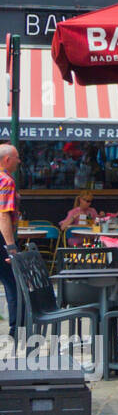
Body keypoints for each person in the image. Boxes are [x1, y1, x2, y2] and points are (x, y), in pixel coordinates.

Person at [0, 144, 20, 338]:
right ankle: (16, 329)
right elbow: (3, 216)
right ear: (7, 160)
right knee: (13, 282)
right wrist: (11, 246)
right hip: (2, 238)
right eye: (17, 157)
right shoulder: (6, 181)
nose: (19, 161)